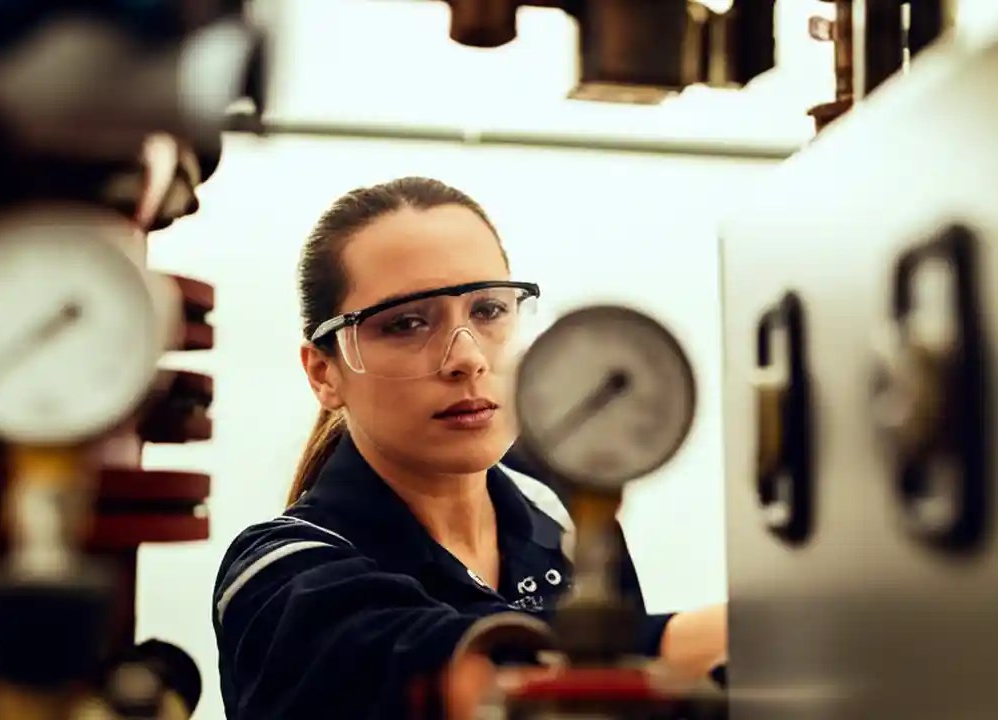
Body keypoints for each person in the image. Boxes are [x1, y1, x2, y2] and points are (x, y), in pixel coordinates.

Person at [212, 177, 727, 720]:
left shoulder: (567, 519)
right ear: (324, 372)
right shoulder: (277, 574)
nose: (468, 358)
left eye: (487, 311)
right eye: (407, 322)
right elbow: (433, 671)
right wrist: (748, 636)